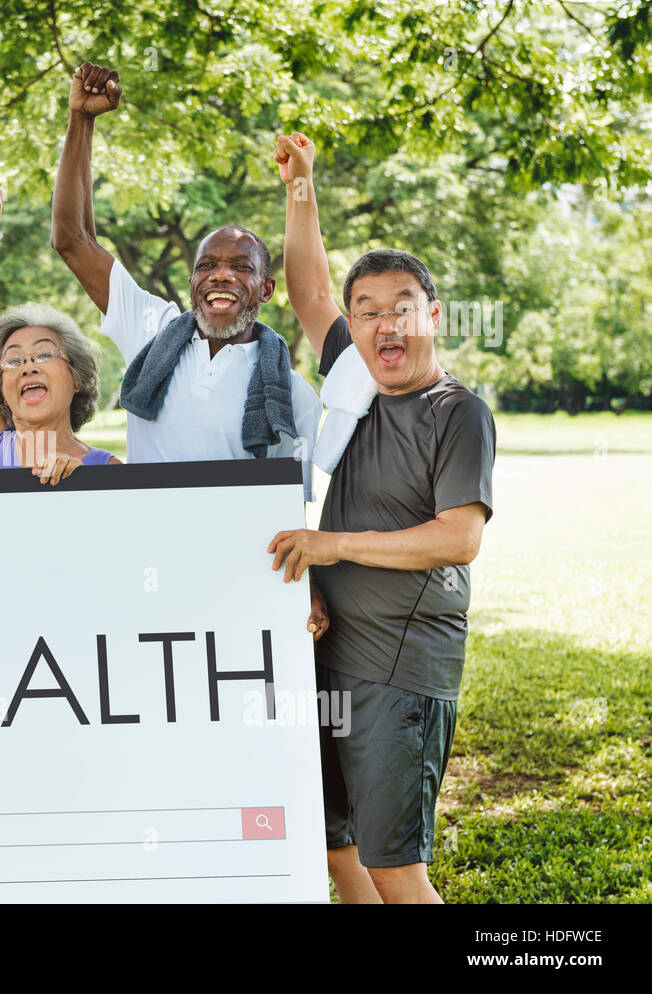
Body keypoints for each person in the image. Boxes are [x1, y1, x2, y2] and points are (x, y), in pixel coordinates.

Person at [271, 131, 496, 904]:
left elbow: (458, 537)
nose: (381, 327)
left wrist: (331, 544)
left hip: (402, 671)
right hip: (328, 655)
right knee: (341, 852)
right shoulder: (355, 381)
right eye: (366, 313)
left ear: (432, 315)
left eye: (401, 309)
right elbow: (308, 292)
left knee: (396, 868)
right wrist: (301, 186)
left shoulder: (457, 412)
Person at [51, 60, 327, 636]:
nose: (220, 276)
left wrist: (311, 592)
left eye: (239, 267)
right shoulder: (154, 329)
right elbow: (72, 240)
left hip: (232, 579)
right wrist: (81, 120)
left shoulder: (293, 394)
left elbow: (287, 515)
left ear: (267, 289)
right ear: (193, 279)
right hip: (141, 562)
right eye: (208, 266)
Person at [0, 181, 119, 483]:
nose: (28, 367)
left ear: (76, 378)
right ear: (3, 392)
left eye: (44, 354)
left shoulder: (105, 467)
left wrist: (81, 482)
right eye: (14, 360)